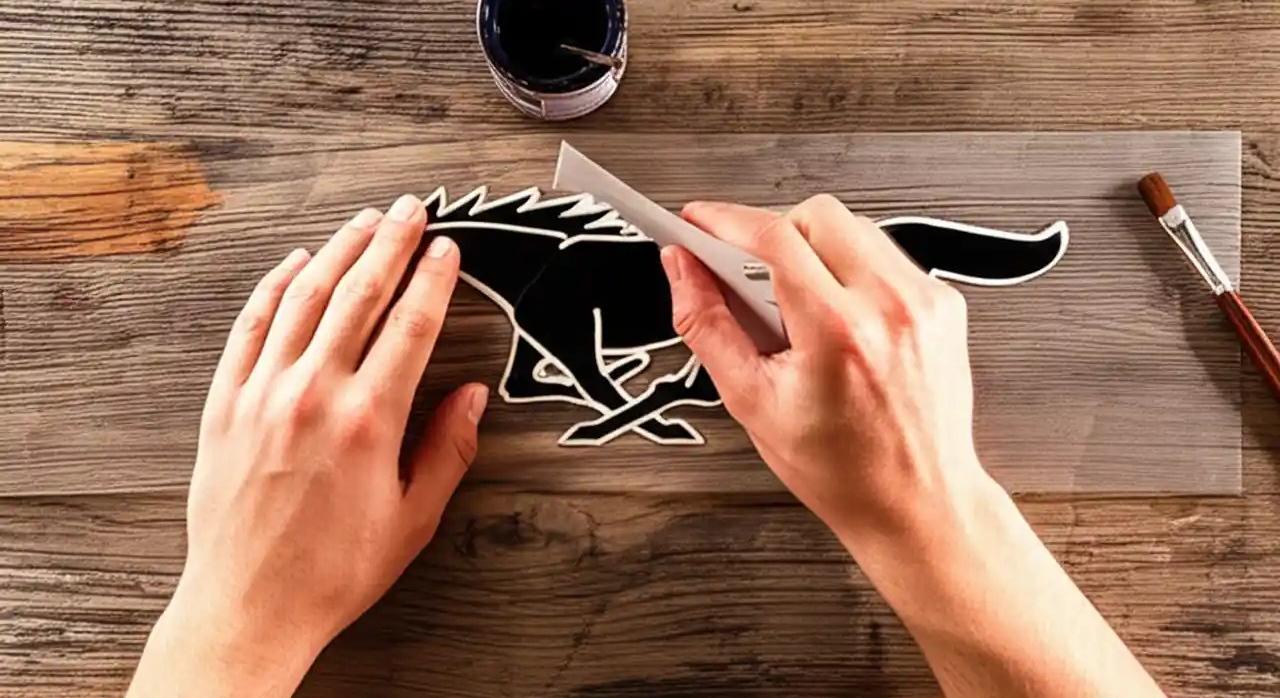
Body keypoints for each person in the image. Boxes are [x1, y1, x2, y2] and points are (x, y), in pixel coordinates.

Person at [127, 194, 1165, 697]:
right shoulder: (552, 278)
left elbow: (568, 362)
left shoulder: (567, 273)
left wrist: (229, 624)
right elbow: (557, 365)